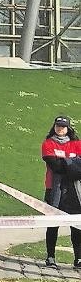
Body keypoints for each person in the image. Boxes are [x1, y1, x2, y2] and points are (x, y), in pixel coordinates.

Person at [40, 116, 81, 270]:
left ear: (68, 128)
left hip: (74, 190)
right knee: (53, 223)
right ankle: (50, 257)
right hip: (54, 188)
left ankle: (78, 258)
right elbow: (54, 166)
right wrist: (71, 163)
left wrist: (65, 163)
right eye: (58, 126)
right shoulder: (48, 143)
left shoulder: (77, 144)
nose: (60, 129)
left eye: (63, 127)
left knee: (76, 224)